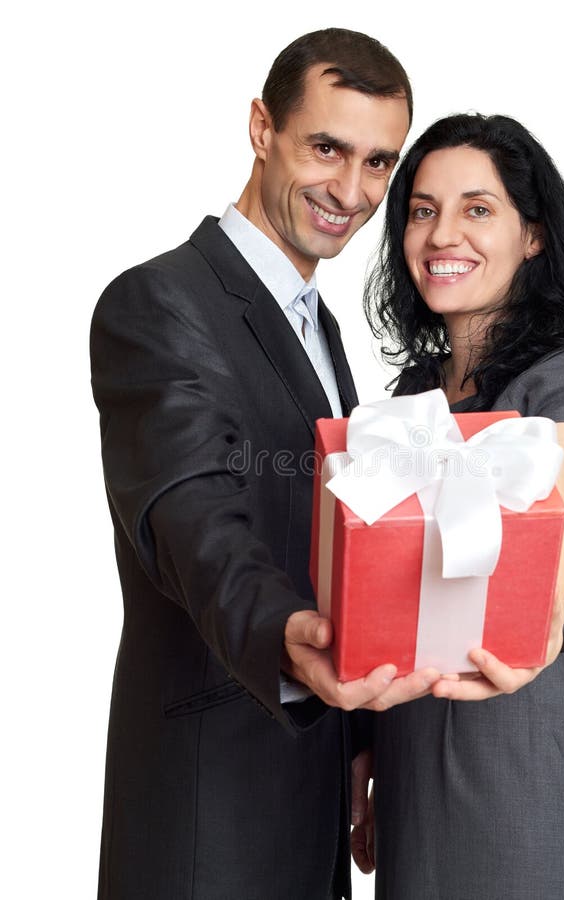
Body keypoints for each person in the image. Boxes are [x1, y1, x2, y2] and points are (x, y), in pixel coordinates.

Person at [90, 28, 439, 900]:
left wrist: (356, 742)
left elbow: (326, 540)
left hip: (306, 796)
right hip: (210, 804)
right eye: (326, 148)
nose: (350, 192)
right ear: (260, 128)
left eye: (377, 163)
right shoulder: (159, 301)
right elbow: (192, 515)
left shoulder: (316, 326)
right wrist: (280, 631)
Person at [354, 113, 564, 899]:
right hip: (406, 724)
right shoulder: (412, 396)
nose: (443, 233)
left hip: (516, 715)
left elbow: (541, 503)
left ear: (532, 236)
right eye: (422, 210)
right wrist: (362, 747)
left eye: (476, 208)